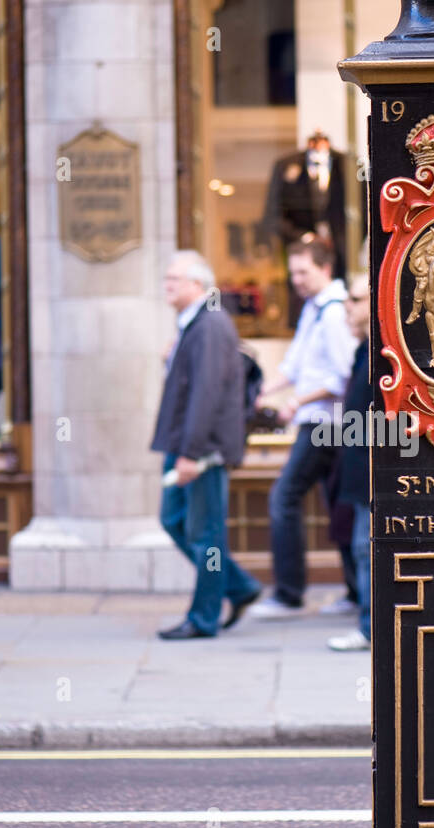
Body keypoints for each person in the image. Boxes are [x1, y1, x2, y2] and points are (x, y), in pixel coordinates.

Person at [152, 251, 261, 639]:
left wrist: (191, 454)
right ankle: (238, 586)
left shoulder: (210, 324)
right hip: (187, 444)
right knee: (175, 521)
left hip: (201, 451)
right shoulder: (196, 323)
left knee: (205, 534)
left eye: (174, 279)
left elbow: (207, 394)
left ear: (197, 285)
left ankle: (204, 617)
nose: (167, 285)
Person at [250, 237, 359, 620]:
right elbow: (295, 367)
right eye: (292, 272)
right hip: (319, 422)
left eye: (303, 271)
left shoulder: (334, 312)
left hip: (329, 425)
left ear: (325, 268)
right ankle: (356, 592)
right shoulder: (314, 309)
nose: (296, 279)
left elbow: (346, 375)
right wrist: (265, 392)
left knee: (284, 498)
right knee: (340, 504)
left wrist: (298, 401)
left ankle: (288, 593)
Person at [328, 275, 372, 652]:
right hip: (359, 466)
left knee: (366, 547)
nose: (347, 308)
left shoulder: (383, 354)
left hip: (376, 468)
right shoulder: (363, 351)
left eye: (355, 300)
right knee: (360, 546)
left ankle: (372, 627)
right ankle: (369, 623)